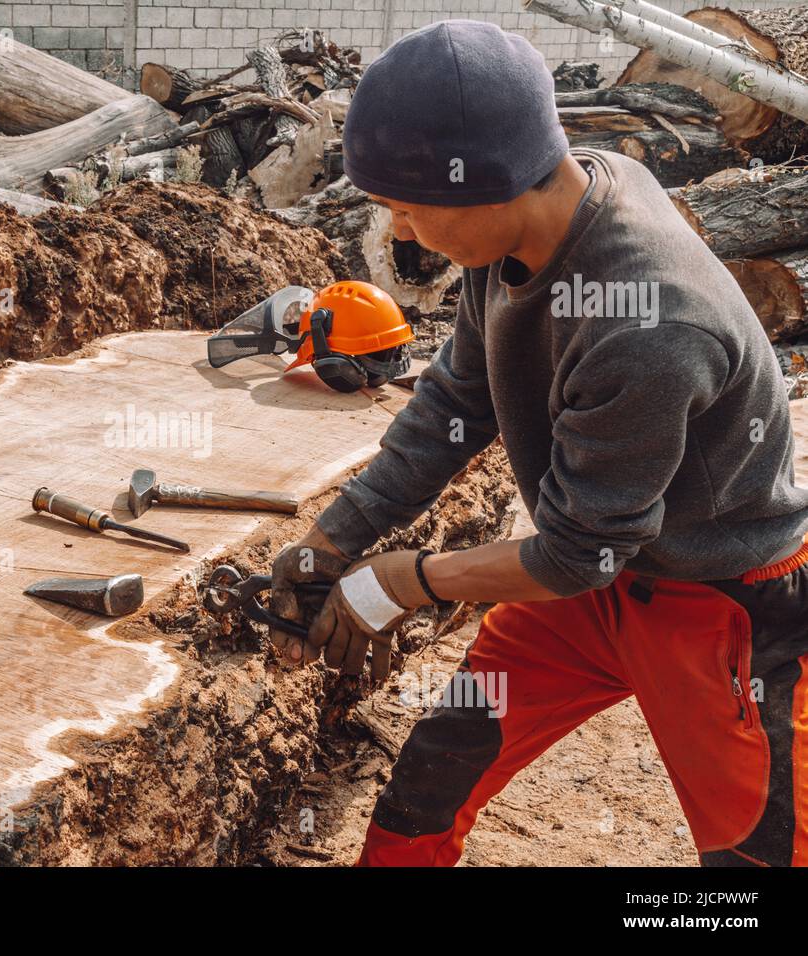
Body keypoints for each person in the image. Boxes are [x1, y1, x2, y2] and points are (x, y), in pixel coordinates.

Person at [270, 18, 808, 867]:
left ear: (490, 185)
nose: (401, 232)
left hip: (719, 602)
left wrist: (405, 581)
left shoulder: (652, 322)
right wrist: (331, 540)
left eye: (407, 208)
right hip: (590, 581)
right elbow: (460, 396)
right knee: (431, 785)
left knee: (755, 861)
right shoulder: (538, 211)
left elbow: (573, 553)